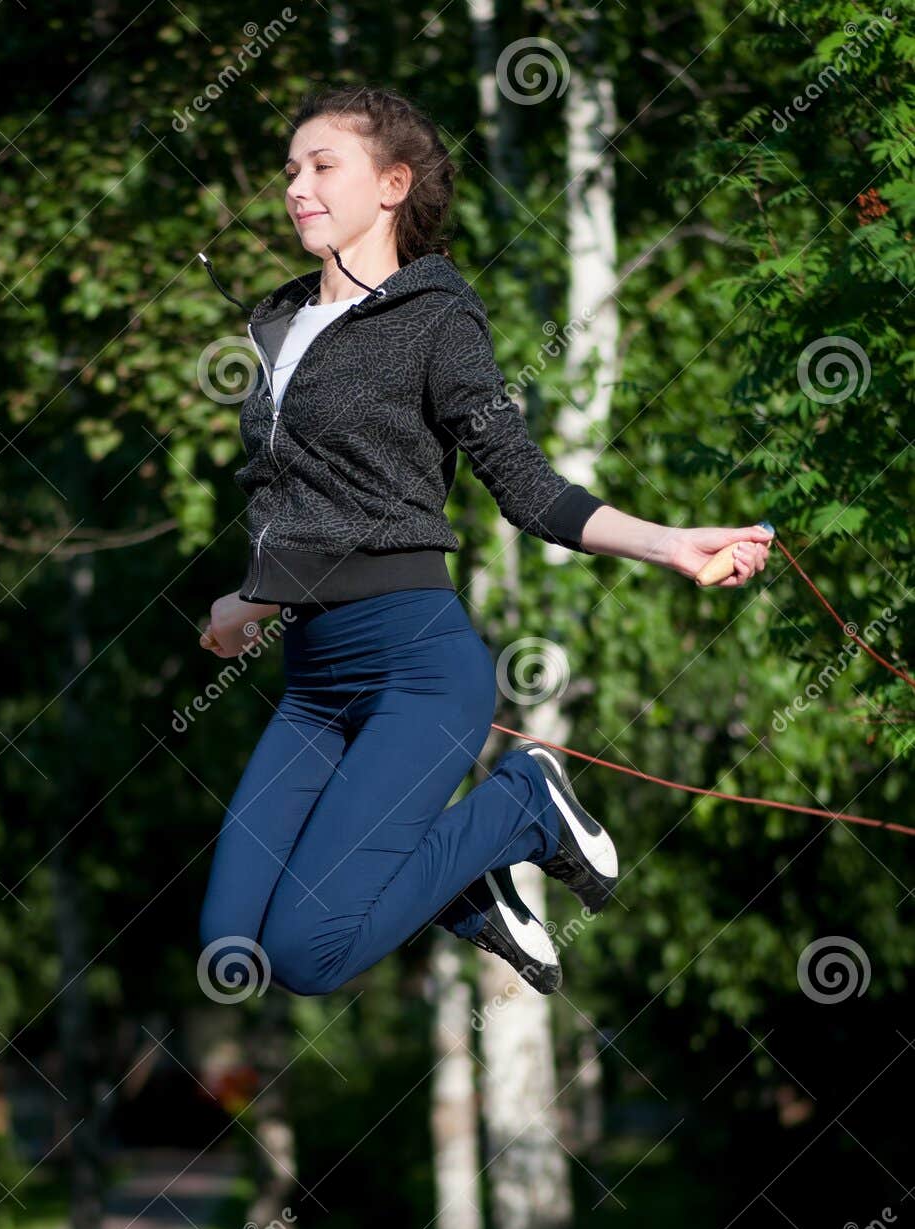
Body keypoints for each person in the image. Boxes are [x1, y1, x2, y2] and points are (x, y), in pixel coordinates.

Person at [197, 85, 771, 999]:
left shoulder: (435, 313)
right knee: (229, 945)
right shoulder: (279, 324)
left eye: (320, 167)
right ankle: (470, 888)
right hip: (312, 682)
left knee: (307, 955)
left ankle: (523, 803)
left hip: (413, 667)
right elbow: (295, 504)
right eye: (290, 172)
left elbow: (523, 484)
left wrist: (671, 545)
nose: (296, 188)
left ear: (391, 185)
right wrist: (249, 599)